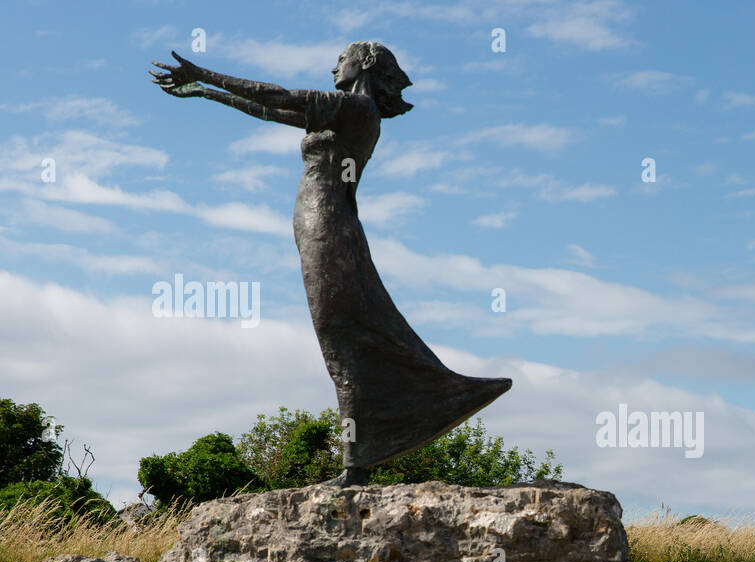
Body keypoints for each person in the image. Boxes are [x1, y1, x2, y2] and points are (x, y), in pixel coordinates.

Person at [151, 44, 511, 486]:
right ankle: (374, 445)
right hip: (319, 226)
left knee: (342, 341)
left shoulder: (357, 108)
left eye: (343, 58)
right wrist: (205, 92)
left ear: (366, 64)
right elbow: (269, 111)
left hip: (329, 225)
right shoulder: (343, 113)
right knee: (344, 338)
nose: (333, 66)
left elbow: (279, 95)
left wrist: (203, 72)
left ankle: (358, 461)